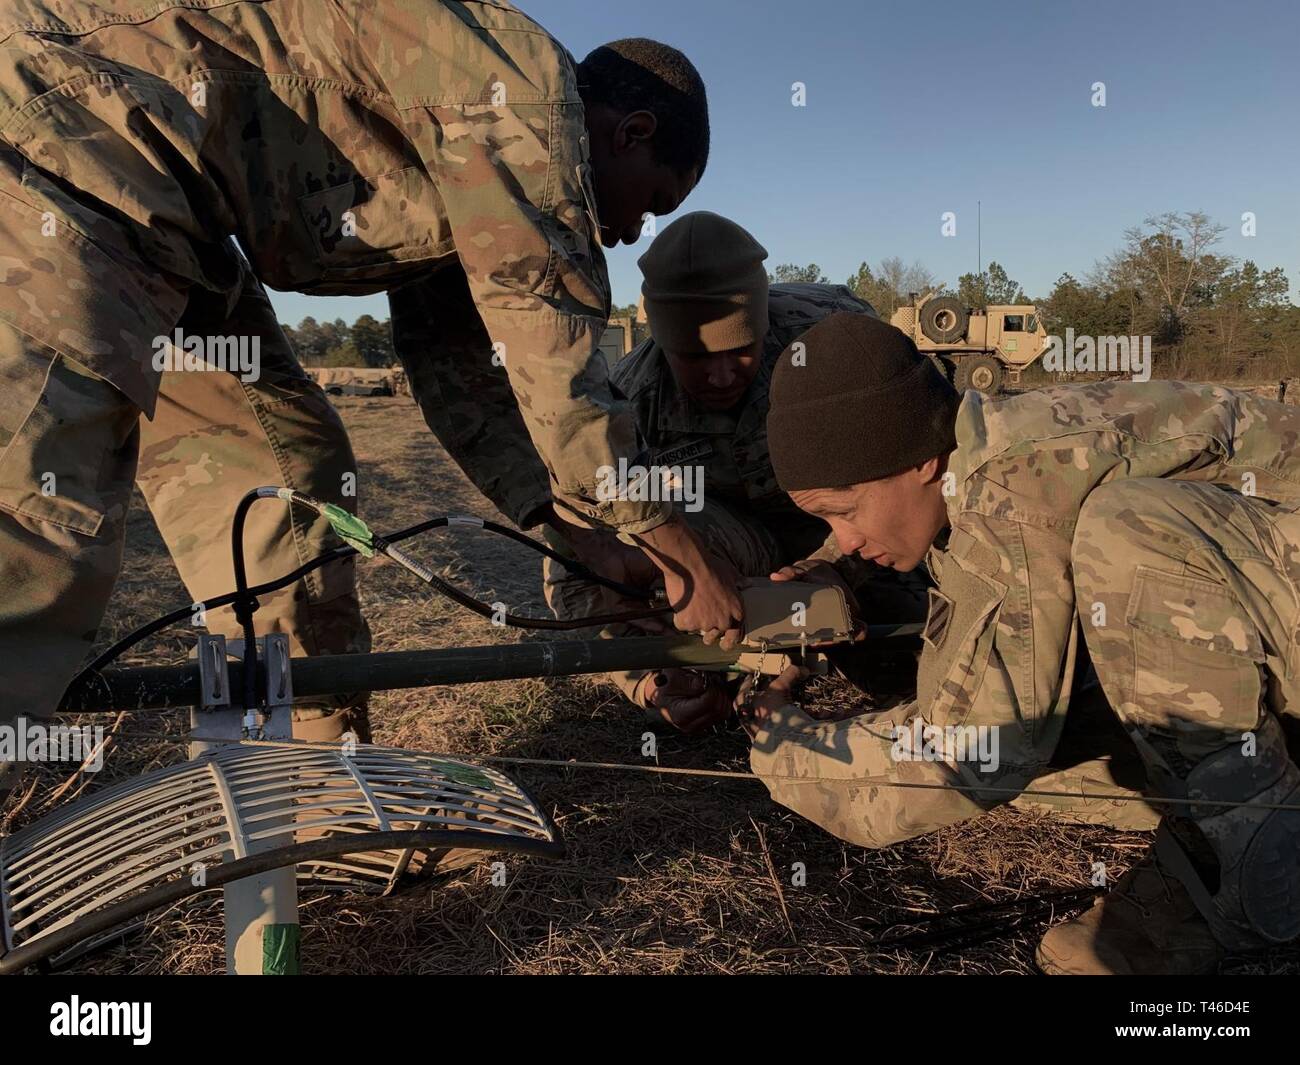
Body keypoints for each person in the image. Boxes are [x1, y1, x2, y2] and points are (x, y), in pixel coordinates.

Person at [0, 1, 730, 800]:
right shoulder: (525, 94)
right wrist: (678, 552)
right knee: (35, 519)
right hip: (58, 128)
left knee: (281, 476)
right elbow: (557, 346)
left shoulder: (476, 166)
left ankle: (304, 794)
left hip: (174, 215)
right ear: (630, 130)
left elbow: (467, 374)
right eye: (651, 204)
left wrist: (578, 533)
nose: (629, 236)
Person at [744, 311, 1300, 974]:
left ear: (919, 460)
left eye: (843, 512)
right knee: (1060, 710)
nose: (847, 534)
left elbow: (970, 755)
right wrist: (834, 567)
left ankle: (1261, 878)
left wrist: (787, 747)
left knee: (1127, 539)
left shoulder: (1014, 487)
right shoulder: (974, 445)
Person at [540, 211, 928, 733]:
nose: (722, 375)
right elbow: (580, 569)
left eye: (741, 351)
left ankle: (809, 635)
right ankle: (730, 653)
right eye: (695, 358)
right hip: (732, 552)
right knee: (608, 545)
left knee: (908, 666)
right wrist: (651, 682)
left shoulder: (831, 338)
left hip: (860, 538)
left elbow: (908, 474)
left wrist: (835, 572)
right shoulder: (630, 401)